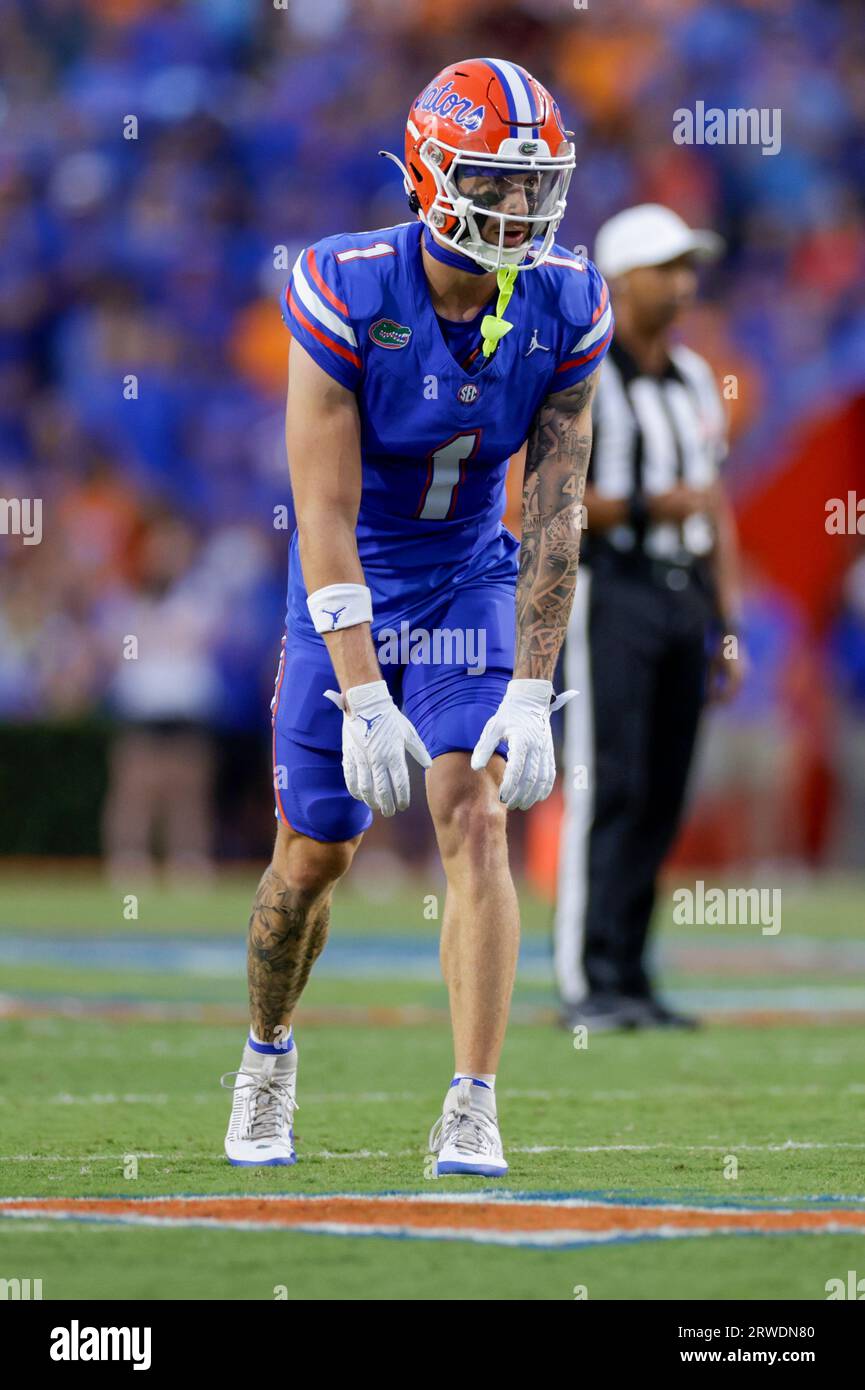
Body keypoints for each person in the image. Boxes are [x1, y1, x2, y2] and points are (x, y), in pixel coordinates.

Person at [222, 59, 613, 1173]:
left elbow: (552, 511)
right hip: (349, 585)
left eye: (536, 186)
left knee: (474, 813)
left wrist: (533, 691)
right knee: (312, 857)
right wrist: (358, 693)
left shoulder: (566, 299)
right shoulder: (346, 287)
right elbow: (324, 510)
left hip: (467, 578)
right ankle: (265, 1056)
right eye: (495, 183)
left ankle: (473, 1098)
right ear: (434, 176)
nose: (523, 209)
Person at [554, 204, 744, 1032]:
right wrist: (642, 506)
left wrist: (726, 622)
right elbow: (545, 505)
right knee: (609, 783)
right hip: (612, 588)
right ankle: (585, 978)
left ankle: (629, 971)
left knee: (663, 789)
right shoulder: (584, 374)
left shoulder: (696, 377)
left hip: (680, 594)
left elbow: (714, 506)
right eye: (666, 267)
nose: (682, 282)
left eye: (686, 266)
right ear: (623, 280)